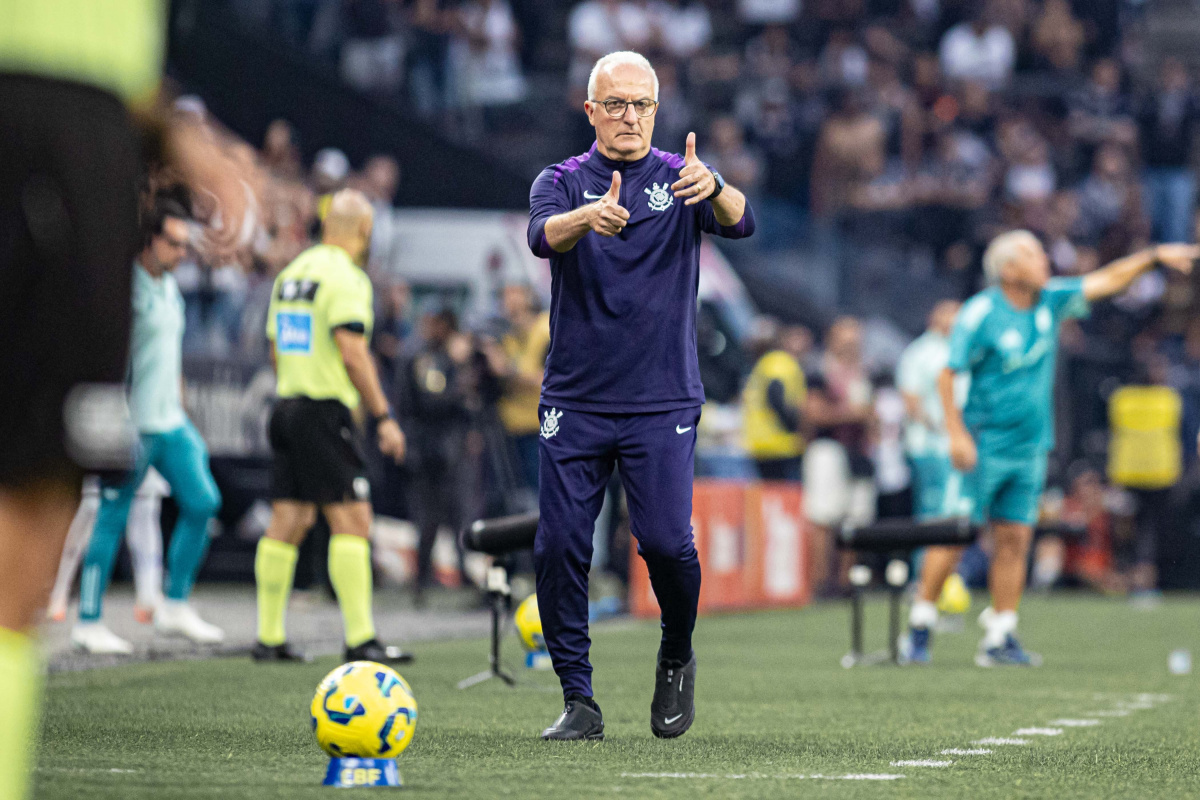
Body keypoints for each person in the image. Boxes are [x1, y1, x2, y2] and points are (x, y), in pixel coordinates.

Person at [0, 2, 249, 797]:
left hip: (101, 117)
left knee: (41, 532)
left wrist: (164, 121)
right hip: (50, 118)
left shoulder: (165, 287)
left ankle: (146, 605)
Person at [526, 50, 754, 741]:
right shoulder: (562, 181)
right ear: (590, 110)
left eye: (642, 104)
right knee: (560, 543)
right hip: (576, 397)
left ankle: (676, 650)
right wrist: (587, 218)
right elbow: (540, 236)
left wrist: (712, 182)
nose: (630, 116)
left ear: (658, 110)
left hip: (662, 399)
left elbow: (743, 221)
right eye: (616, 104)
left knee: (663, 542)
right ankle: (578, 698)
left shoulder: (682, 180)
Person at [903, 231, 1197, 667]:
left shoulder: (1050, 302)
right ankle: (920, 625)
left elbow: (1108, 280)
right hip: (985, 443)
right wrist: (957, 435)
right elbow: (949, 375)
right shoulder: (981, 312)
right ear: (1008, 269)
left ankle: (999, 635)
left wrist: (1153, 257)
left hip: (1029, 447)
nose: (1045, 259)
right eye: (1033, 254)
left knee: (1016, 538)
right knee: (955, 534)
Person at [255, 188, 412, 664]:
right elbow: (352, 351)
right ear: (364, 232)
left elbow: (276, 348)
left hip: (286, 406)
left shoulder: (292, 274)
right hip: (324, 412)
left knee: (289, 519)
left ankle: (268, 637)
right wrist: (383, 416)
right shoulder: (347, 278)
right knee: (353, 519)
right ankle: (361, 638)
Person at [70, 199, 225, 654]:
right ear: (150, 240)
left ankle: (173, 606)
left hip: (170, 423)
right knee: (111, 518)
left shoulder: (169, 287)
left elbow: (167, 354)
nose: (180, 252)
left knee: (203, 501)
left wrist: (181, 405)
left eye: (184, 244)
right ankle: (88, 621)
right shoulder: (127, 289)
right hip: (133, 424)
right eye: (172, 243)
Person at [396, 306, 473, 601]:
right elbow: (432, 401)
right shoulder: (424, 357)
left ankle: (459, 574)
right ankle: (422, 580)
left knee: (456, 515)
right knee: (430, 517)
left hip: (443, 447)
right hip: (431, 448)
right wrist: (460, 385)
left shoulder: (433, 356)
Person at [48, 469, 170, 625]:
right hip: (103, 451)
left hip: (140, 448)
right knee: (91, 506)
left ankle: (149, 595)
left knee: (146, 504)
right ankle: (58, 592)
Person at [897, 300, 960, 521]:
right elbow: (911, 400)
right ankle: (923, 557)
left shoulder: (958, 349)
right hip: (929, 446)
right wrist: (944, 426)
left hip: (957, 446)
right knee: (932, 512)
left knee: (954, 512)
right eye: (951, 312)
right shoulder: (919, 352)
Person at [496, 284, 552, 493]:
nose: (509, 302)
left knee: (540, 493)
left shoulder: (546, 330)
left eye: (514, 294)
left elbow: (549, 380)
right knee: (519, 495)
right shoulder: (507, 335)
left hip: (540, 428)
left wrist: (508, 370)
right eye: (505, 296)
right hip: (511, 427)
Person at [742, 323, 810, 481]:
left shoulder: (762, 364)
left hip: (760, 443)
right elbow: (776, 396)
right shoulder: (781, 362)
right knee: (785, 497)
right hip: (781, 444)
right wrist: (794, 427)